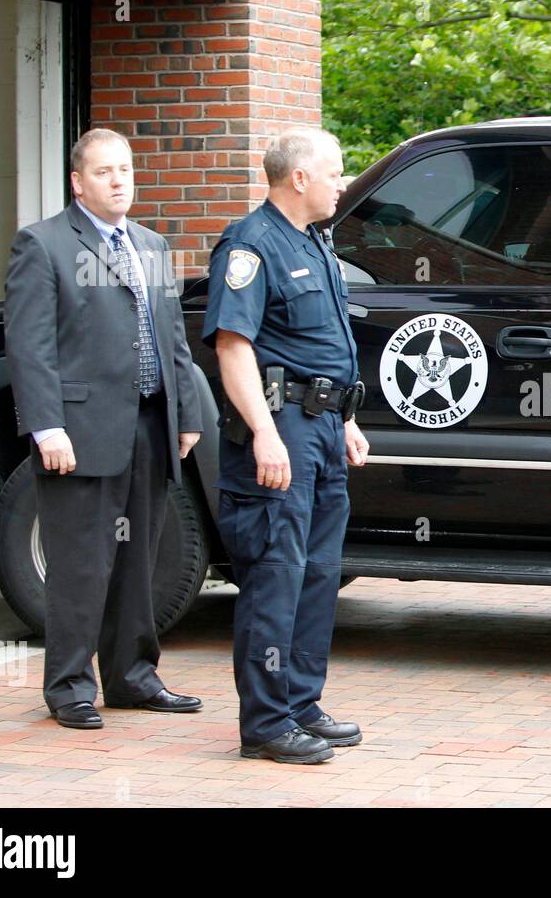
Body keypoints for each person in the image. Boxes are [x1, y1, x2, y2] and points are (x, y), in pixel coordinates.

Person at [4, 128, 204, 729]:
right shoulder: (42, 246)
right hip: (79, 432)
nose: (119, 181)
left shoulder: (152, 245)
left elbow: (173, 338)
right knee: (80, 564)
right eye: (104, 172)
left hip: (149, 424)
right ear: (77, 181)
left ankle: (132, 677)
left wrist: (187, 414)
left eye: (125, 169)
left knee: (138, 559)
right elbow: (29, 348)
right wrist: (46, 429)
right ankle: (69, 687)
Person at [203, 128, 370, 764]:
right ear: (298, 178)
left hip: (323, 430)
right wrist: (268, 434)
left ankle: (301, 703)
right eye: (335, 172)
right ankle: (267, 724)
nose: (342, 183)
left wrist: (344, 419)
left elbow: (321, 351)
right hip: (280, 432)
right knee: (276, 576)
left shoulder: (314, 243)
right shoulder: (251, 245)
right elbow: (232, 346)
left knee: (318, 575)